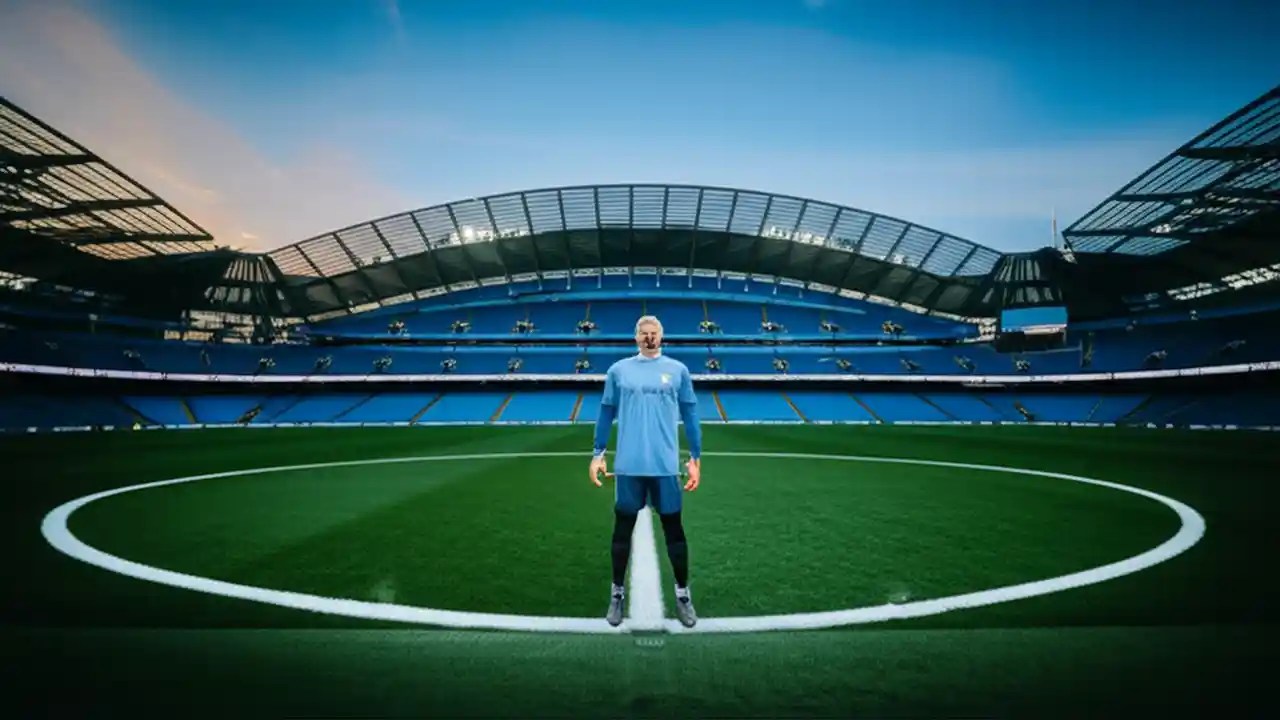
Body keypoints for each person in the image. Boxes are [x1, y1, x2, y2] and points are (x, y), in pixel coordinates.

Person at [590, 315, 702, 628]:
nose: (649, 338)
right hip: (629, 466)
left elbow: (690, 413)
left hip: (665, 466)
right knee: (622, 529)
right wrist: (597, 454)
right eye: (644, 333)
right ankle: (616, 593)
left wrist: (695, 458)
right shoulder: (618, 371)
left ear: (661, 336)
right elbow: (606, 411)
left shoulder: (678, 370)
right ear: (636, 337)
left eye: (654, 333)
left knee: (674, 530)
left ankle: (682, 594)